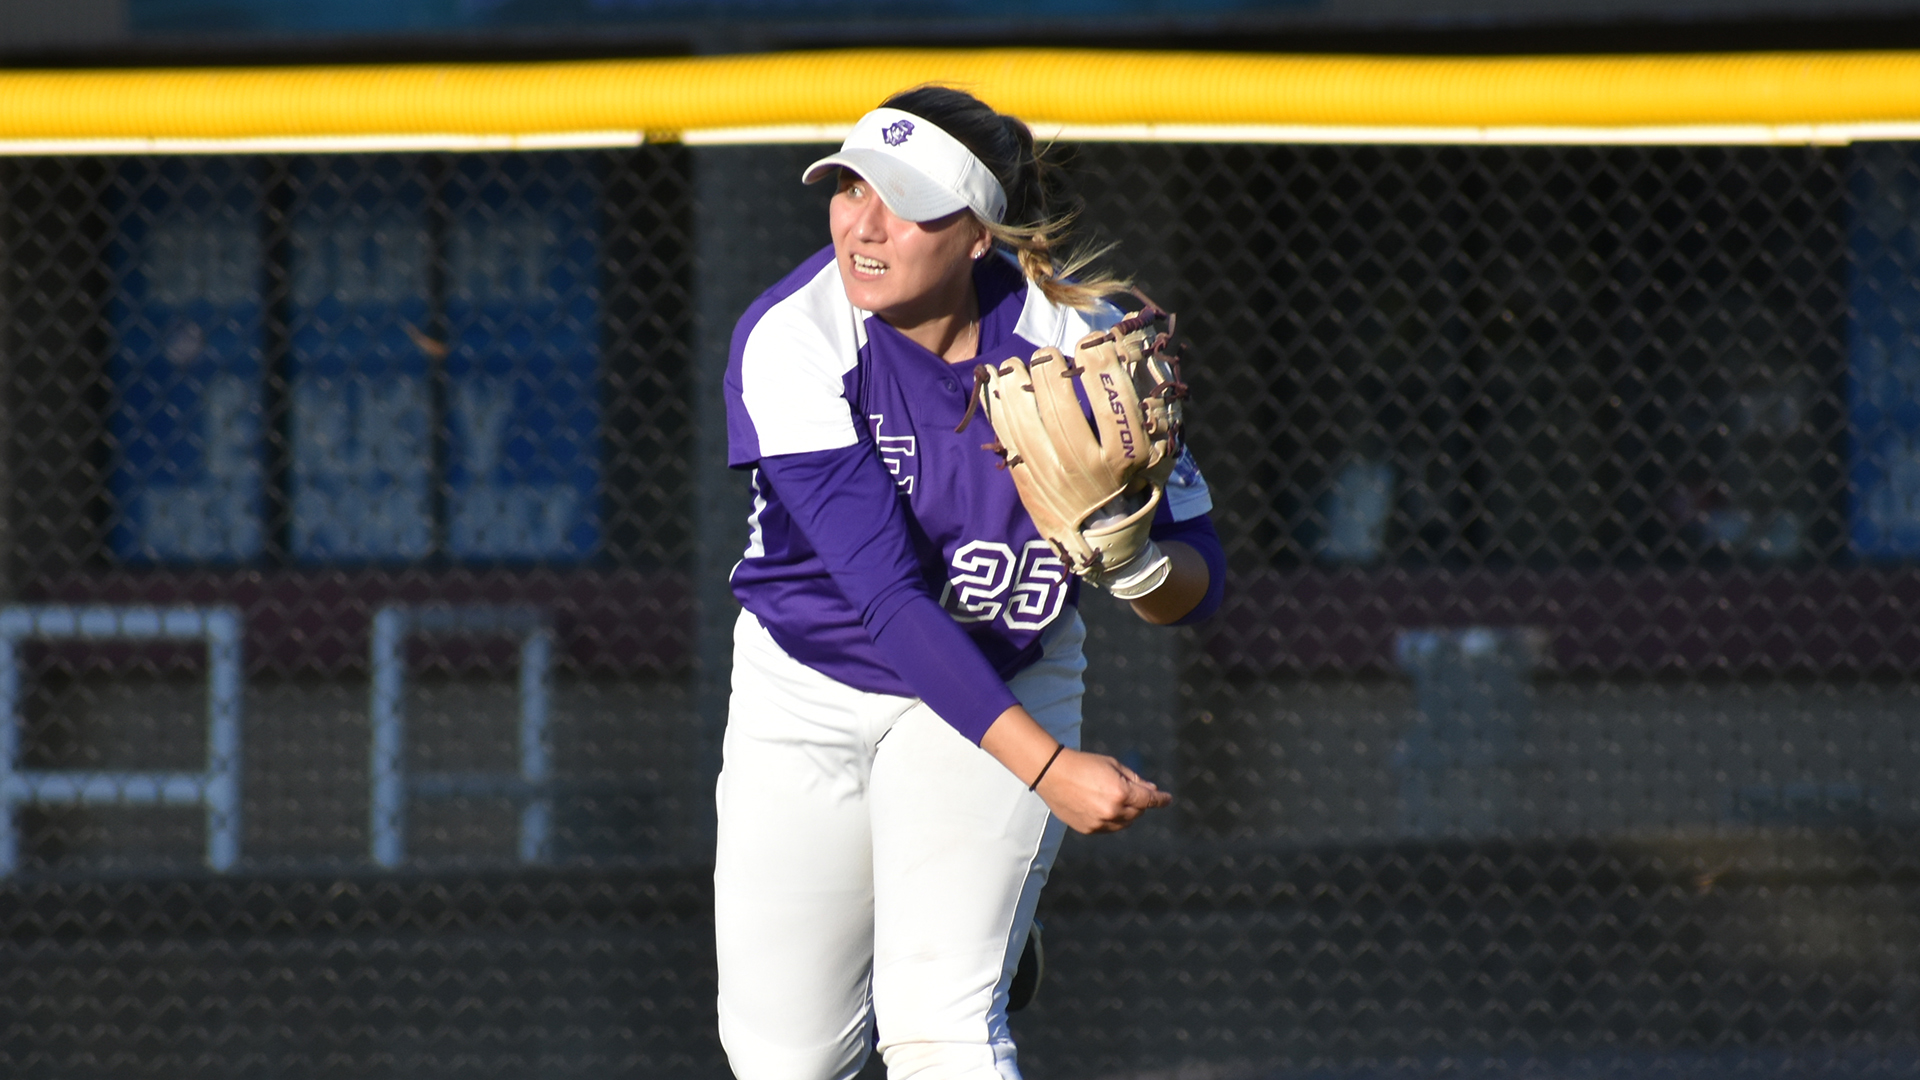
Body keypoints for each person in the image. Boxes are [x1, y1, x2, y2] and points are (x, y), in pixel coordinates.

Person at [714, 85, 1227, 1080]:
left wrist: (1135, 561)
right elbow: (889, 602)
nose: (862, 225)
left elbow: (1202, 587)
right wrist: (1051, 771)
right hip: (808, 689)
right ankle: (980, 905)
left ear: (979, 236)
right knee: (786, 1060)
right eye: (849, 187)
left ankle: (970, 916)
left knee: (939, 1026)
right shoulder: (796, 336)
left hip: (1005, 671)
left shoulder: (1082, 342)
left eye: (905, 203)